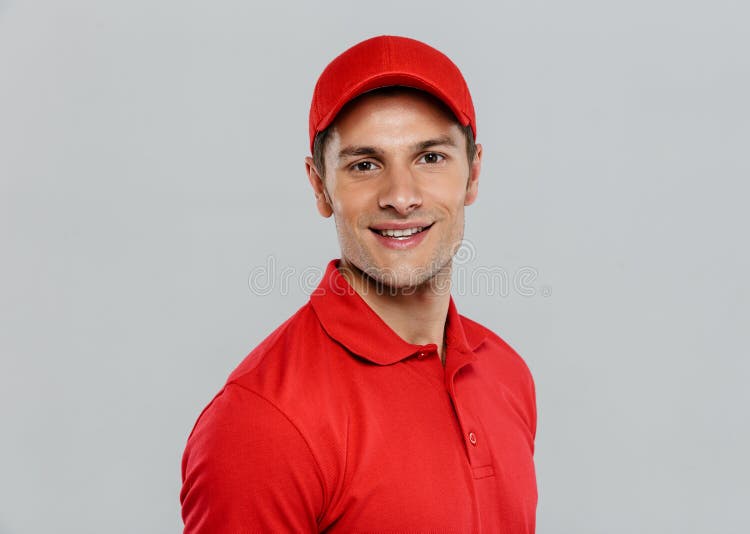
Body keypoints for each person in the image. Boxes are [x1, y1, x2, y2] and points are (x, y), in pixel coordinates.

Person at [180, 35, 538, 533]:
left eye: (430, 157)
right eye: (364, 165)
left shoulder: (505, 373)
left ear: (474, 173)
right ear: (320, 186)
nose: (401, 196)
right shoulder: (263, 422)